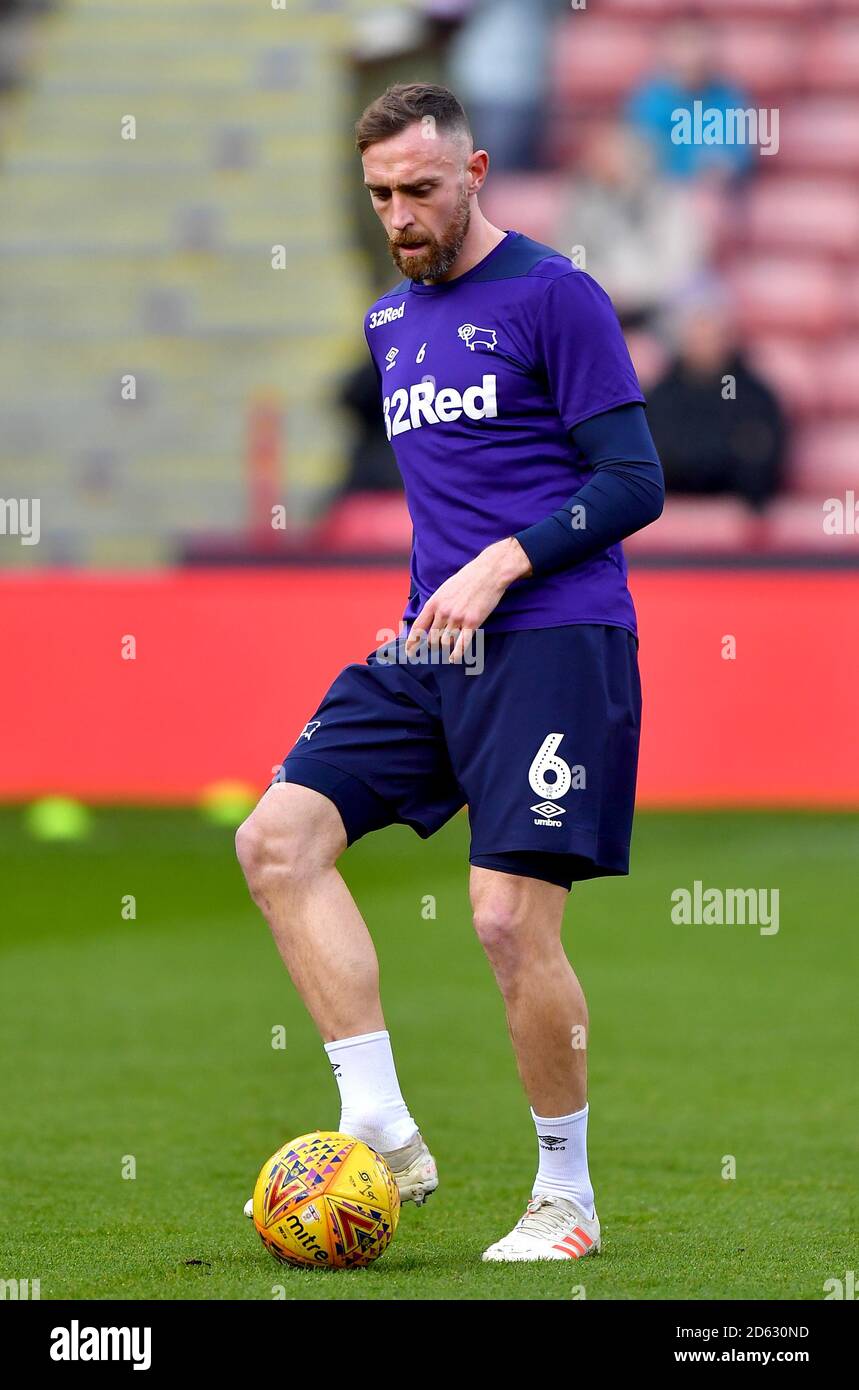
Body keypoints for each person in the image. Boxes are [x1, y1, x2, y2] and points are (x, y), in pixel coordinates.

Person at [236, 83, 664, 1262]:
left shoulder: (554, 295)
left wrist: (501, 564)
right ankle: (382, 1127)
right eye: (379, 195)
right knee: (275, 841)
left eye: (420, 189)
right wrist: (445, 596)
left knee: (504, 922)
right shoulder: (387, 326)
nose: (401, 215)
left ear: (476, 171)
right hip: (433, 645)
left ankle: (565, 1200)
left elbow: (633, 480)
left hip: (556, 637)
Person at [647, 281, 786, 509]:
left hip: (743, 528)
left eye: (710, 325)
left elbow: (761, 470)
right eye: (695, 326)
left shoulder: (756, 397)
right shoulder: (657, 399)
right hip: (668, 521)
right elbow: (653, 468)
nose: (704, 336)